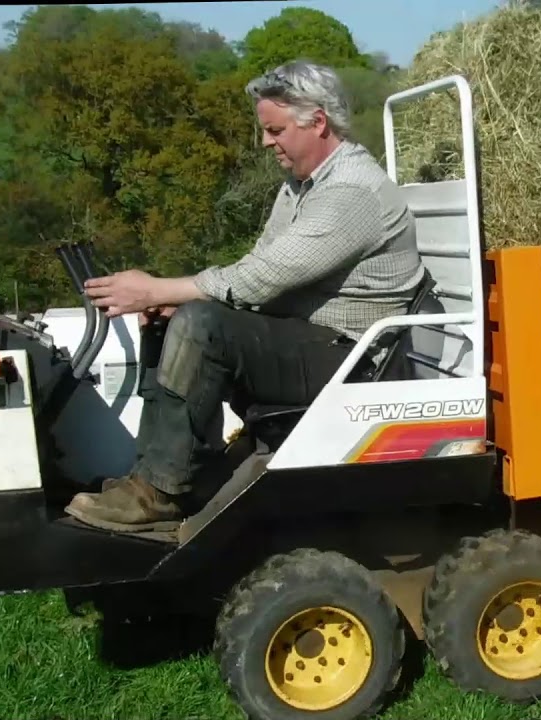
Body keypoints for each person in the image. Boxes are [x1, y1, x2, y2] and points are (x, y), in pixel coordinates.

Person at [63, 60, 425, 533]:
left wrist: (156, 287)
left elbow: (263, 277)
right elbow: (260, 263)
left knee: (202, 325)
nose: (265, 142)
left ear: (317, 122)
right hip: (318, 340)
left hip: (358, 359)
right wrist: (171, 301)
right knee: (176, 318)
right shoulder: (302, 186)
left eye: (274, 130)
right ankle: (162, 474)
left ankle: (162, 494)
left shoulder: (353, 191)